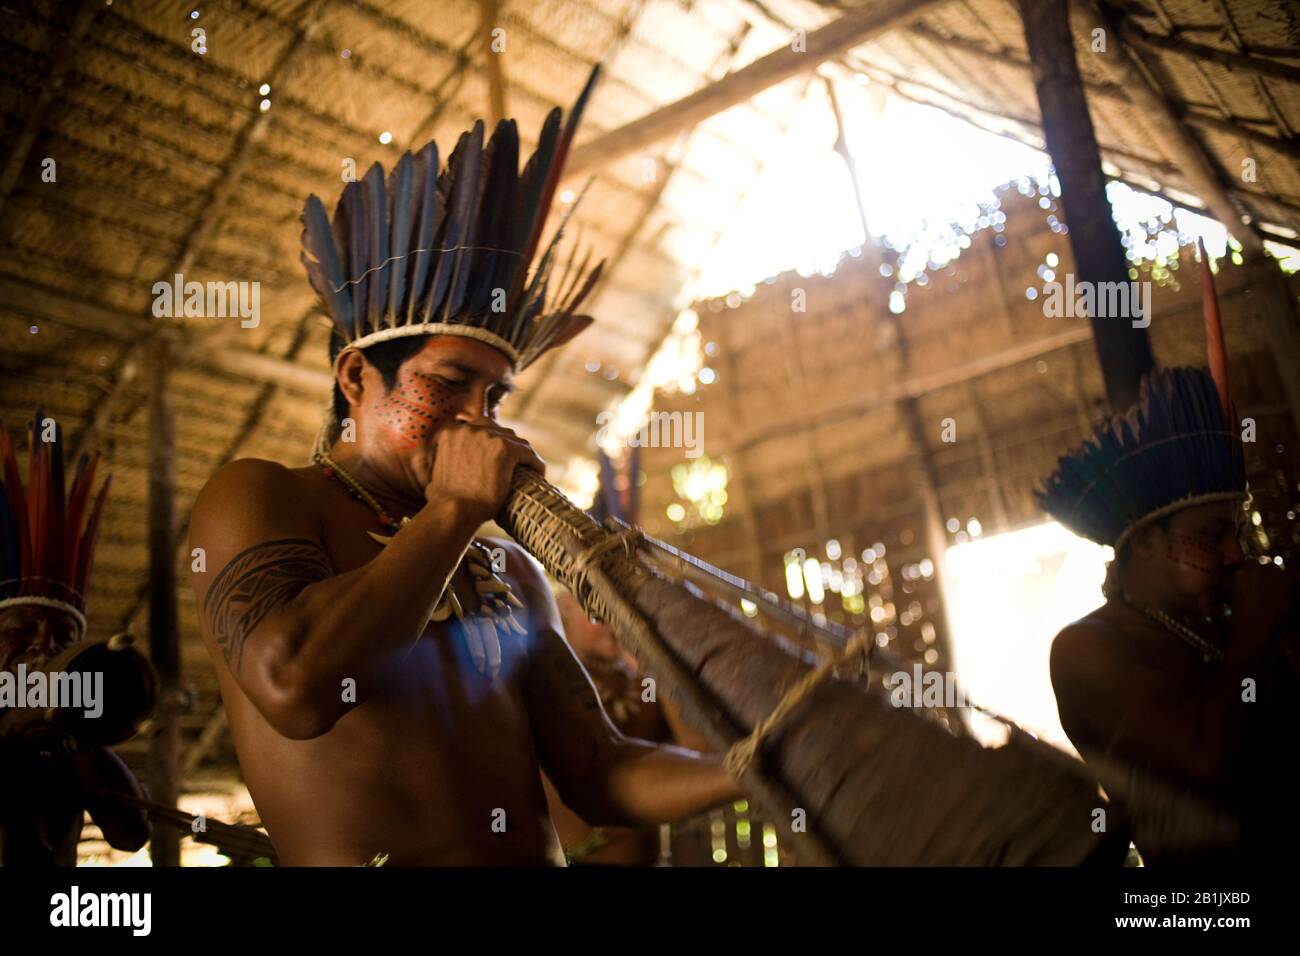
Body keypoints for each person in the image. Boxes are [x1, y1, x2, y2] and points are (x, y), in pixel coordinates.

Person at [188, 79, 742, 866]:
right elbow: (295, 684)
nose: (477, 417)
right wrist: (452, 512)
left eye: (494, 395)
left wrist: (748, 768)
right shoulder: (258, 494)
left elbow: (600, 770)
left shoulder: (510, 571)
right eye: (447, 385)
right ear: (355, 377)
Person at [1038, 365, 1299, 863]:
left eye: (1236, 534)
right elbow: (1206, 762)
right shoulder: (1086, 648)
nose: (1235, 555)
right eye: (1210, 536)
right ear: (1145, 543)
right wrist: (1255, 629)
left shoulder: (1226, 621)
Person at [0, 414, 151, 866]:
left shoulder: (71, 738)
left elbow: (130, 834)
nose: (41, 644)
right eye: (22, 630)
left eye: (62, 636)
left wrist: (83, 737)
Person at [542, 592, 716, 865]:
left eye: (620, 612)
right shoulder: (550, 685)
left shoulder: (644, 682)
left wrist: (650, 659)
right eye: (600, 613)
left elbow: (700, 751)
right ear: (566, 606)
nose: (614, 624)